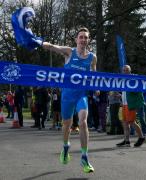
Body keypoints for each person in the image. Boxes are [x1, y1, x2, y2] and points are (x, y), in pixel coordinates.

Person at [43, 27, 98, 173]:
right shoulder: (69, 52)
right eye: (81, 37)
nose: (83, 40)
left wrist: (97, 87)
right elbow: (53, 47)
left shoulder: (92, 57)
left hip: (82, 95)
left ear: (88, 40)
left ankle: (84, 157)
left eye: (86, 37)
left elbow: (94, 73)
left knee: (83, 121)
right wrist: (40, 42)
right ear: (76, 40)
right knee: (67, 124)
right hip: (67, 95)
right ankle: (66, 147)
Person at [116, 65, 145, 147]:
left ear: (130, 71)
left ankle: (141, 137)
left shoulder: (134, 79)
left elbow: (138, 90)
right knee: (125, 123)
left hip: (130, 104)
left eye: (127, 70)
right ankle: (126, 141)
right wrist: (120, 96)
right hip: (124, 103)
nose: (125, 71)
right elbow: (125, 92)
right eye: (124, 70)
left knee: (132, 122)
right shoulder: (123, 80)